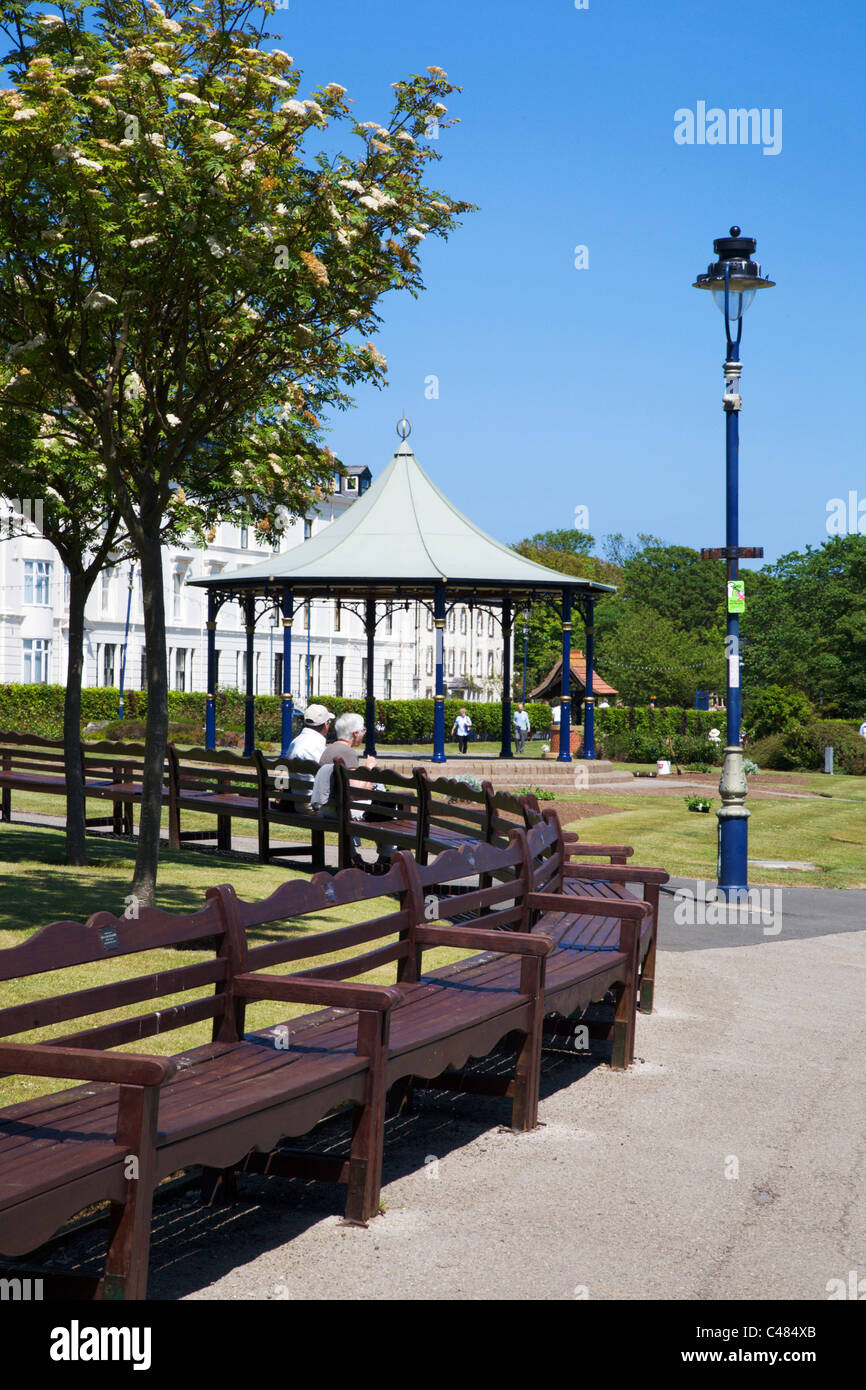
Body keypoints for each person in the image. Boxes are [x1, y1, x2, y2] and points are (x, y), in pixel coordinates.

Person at [311, 713, 394, 873]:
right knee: (389, 812)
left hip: (328, 808)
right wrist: (369, 768)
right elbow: (355, 791)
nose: (364, 734)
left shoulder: (330, 749)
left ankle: (354, 855)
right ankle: (387, 857)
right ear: (355, 733)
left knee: (380, 806)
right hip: (342, 810)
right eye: (363, 730)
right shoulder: (347, 753)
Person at [284, 703, 334, 808]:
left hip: (297, 802)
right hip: (313, 805)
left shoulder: (295, 742)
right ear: (326, 724)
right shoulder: (317, 746)